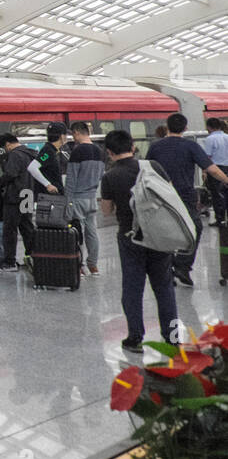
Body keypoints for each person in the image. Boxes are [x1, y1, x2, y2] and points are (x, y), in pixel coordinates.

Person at [99, 129, 180, 353]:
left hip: (130, 238)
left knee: (133, 289)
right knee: (164, 287)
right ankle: (172, 337)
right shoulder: (153, 167)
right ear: (133, 146)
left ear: (109, 152)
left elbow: (106, 211)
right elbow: (169, 193)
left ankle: (135, 338)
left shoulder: (109, 177)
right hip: (159, 235)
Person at [145, 112, 228, 286]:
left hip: (161, 196)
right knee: (194, 228)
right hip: (185, 196)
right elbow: (212, 169)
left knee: (165, 232)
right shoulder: (190, 146)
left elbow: (147, 170)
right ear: (185, 128)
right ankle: (182, 265)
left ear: (167, 127)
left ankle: (169, 268)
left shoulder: (155, 147)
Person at [0, 134, 55, 272]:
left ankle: (10, 262)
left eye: (5, 147)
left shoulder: (15, 155)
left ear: (8, 144)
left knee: (10, 229)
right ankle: (34, 255)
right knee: (27, 227)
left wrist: (1, 180)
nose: (6, 150)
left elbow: (11, 174)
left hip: (15, 196)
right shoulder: (31, 153)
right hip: (28, 194)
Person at [66, 122, 105, 276]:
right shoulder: (100, 151)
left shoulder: (77, 151)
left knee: (77, 232)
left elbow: (71, 179)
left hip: (77, 198)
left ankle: (79, 265)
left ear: (77, 133)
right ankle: (93, 265)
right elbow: (101, 175)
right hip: (92, 198)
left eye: (73, 134)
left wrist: (67, 201)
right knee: (92, 232)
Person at [203, 117, 228, 226]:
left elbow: (207, 157)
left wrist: (204, 171)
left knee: (217, 194)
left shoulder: (210, 139)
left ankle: (220, 219)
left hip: (216, 169)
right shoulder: (227, 137)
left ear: (209, 127)